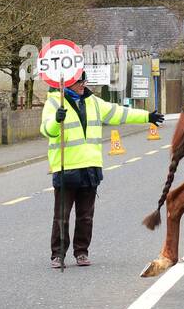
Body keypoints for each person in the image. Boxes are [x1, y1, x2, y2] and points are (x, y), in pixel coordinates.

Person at [40, 72, 164, 268]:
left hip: (90, 167)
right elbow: (47, 130)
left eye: (84, 81)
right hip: (66, 168)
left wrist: (147, 116)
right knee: (62, 216)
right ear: (69, 83)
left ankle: (81, 252)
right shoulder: (54, 103)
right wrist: (57, 120)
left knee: (85, 216)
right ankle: (58, 254)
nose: (83, 85)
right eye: (80, 82)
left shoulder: (93, 102)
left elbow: (119, 113)